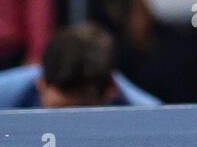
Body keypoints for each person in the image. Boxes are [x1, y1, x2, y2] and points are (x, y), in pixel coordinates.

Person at [0, 22, 160, 109]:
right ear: (40, 84)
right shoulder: (5, 93)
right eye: (57, 113)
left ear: (110, 91)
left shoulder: (149, 116)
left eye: (79, 115)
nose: (65, 130)